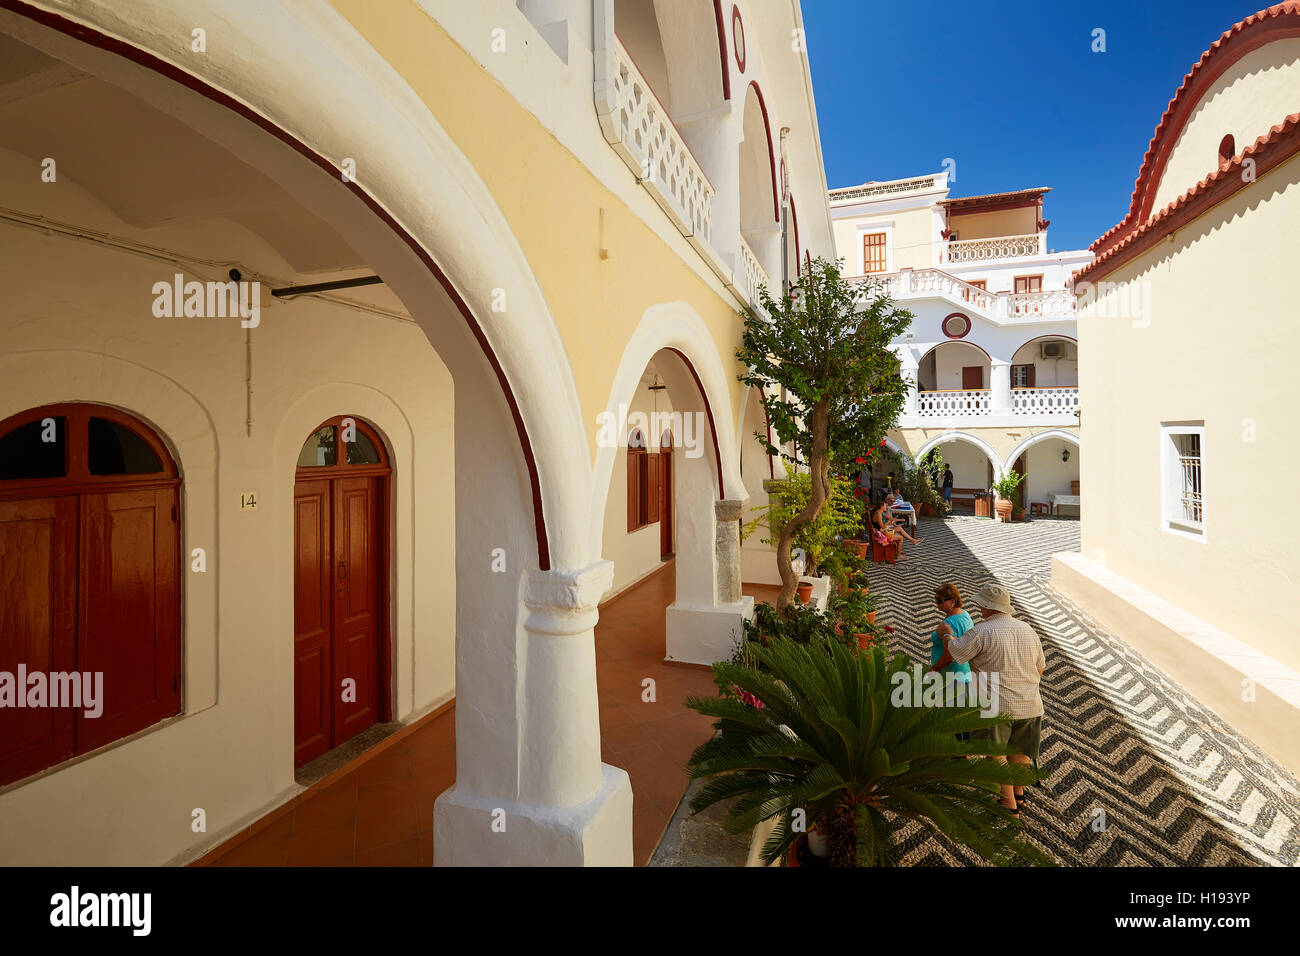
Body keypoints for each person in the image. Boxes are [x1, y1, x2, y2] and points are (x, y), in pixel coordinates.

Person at [930, 583, 1045, 817]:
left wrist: (947, 636)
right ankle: (1019, 794)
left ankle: (1008, 804)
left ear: (987, 607)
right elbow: (1040, 668)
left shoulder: (982, 631)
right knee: (1020, 751)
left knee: (996, 754)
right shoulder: (1027, 630)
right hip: (1030, 703)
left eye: (981, 604)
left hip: (996, 705)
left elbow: (955, 653)